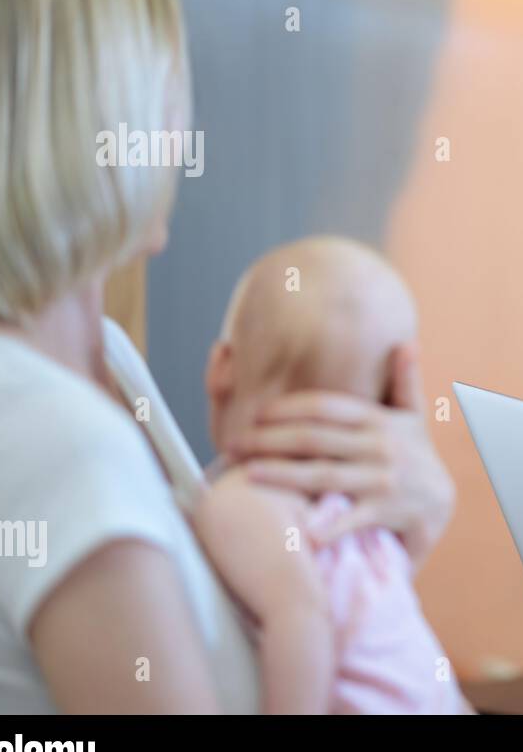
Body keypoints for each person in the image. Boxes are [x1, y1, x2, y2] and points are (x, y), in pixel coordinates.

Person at [0, 0, 454, 713]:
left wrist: (388, 538)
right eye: (170, 92)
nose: (182, 132)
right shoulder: (42, 433)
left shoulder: (100, 359)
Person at [195, 236, 469, 713]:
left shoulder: (243, 497)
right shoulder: (376, 524)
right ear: (392, 401)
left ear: (222, 368)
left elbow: (303, 621)